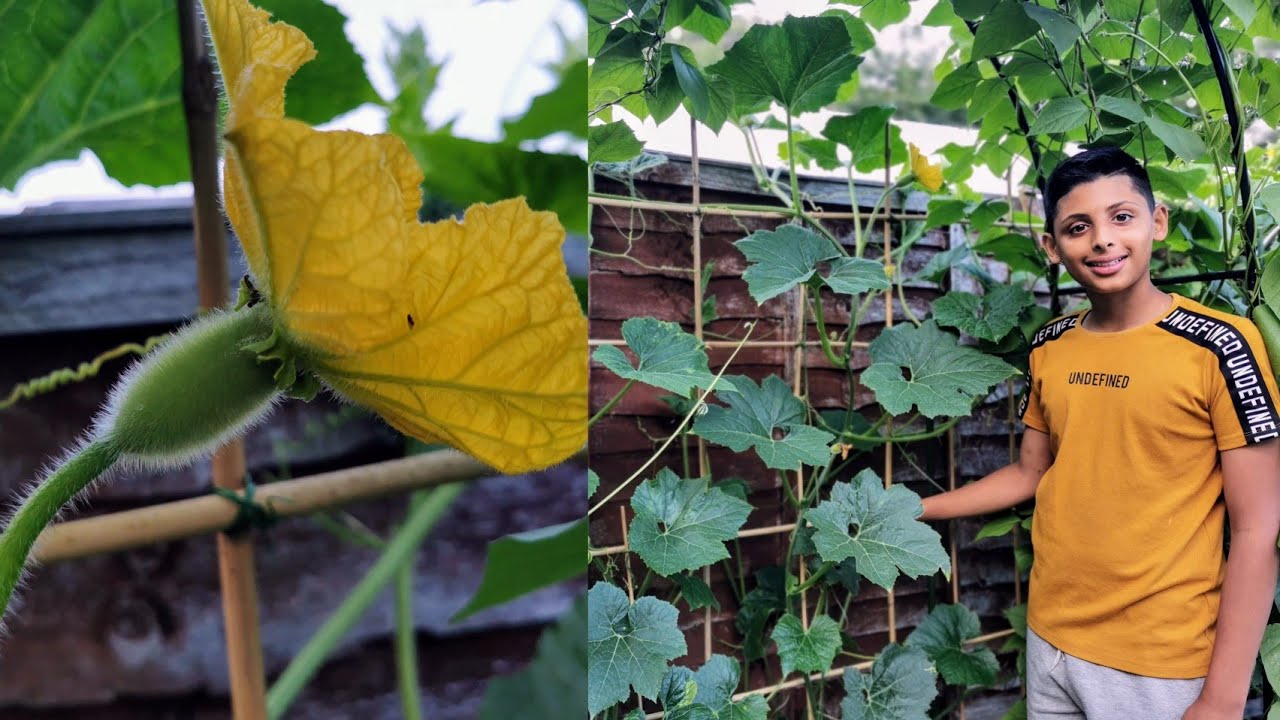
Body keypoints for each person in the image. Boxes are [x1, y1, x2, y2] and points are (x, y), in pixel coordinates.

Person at [919, 147, 1280, 719]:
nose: (1103, 240)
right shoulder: (1051, 345)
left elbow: (1259, 526)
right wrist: (916, 509)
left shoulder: (1221, 344)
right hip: (1051, 640)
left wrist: (1223, 697)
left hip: (1156, 659)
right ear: (1052, 248)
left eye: (1122, 217)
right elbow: (1029, 473)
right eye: (1078, 227)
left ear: (1156, 222)